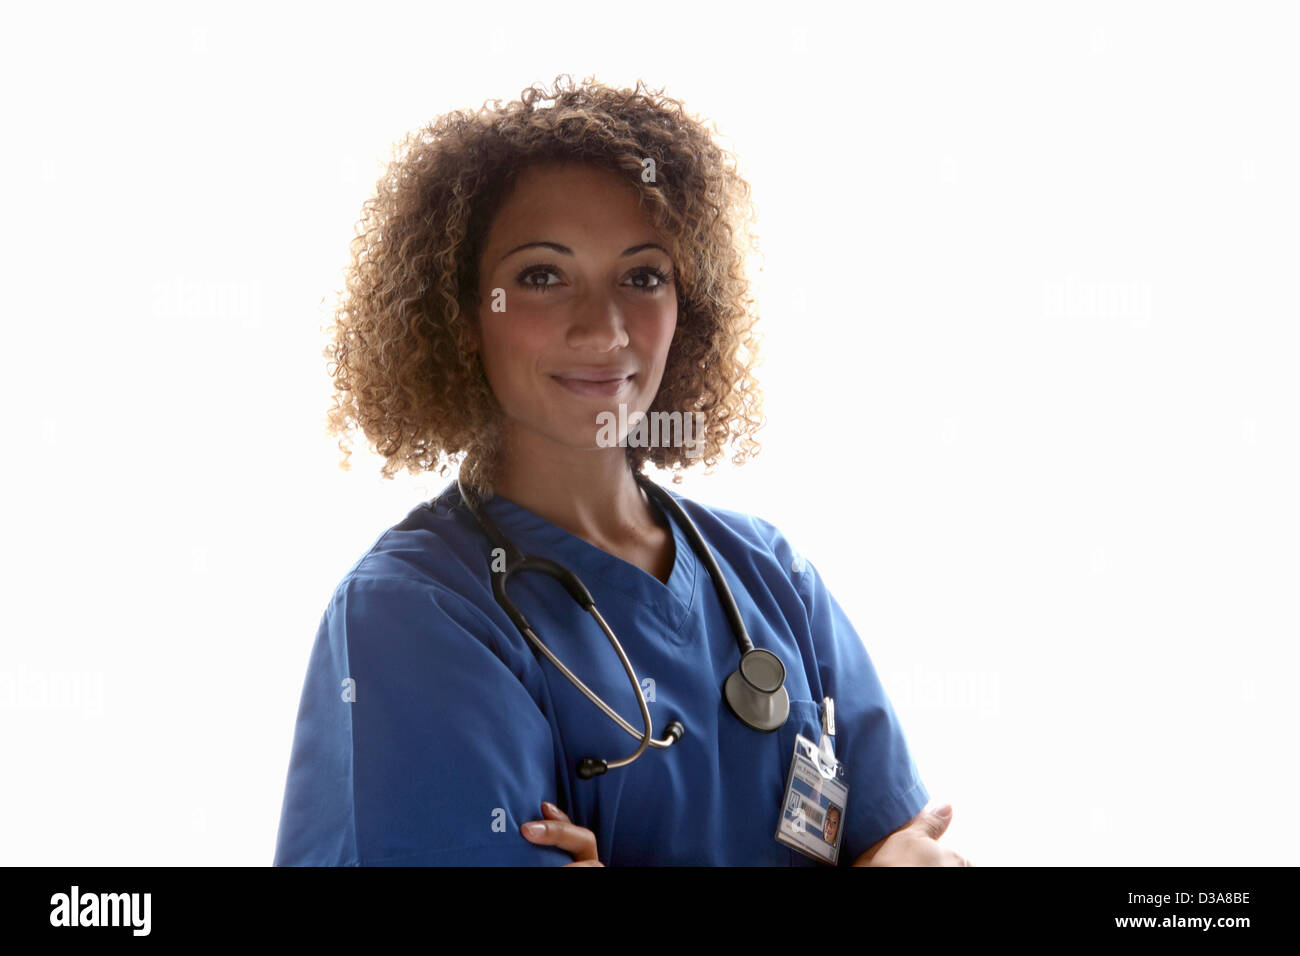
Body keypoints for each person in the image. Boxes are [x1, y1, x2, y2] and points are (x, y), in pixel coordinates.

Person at [273, 75, 969, 867]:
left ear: (689, 306)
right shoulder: (414, 612)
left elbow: (907, 845)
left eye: (642, 277)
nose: (605, 330)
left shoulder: (771, 576)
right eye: (542, 276)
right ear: (462, 313)